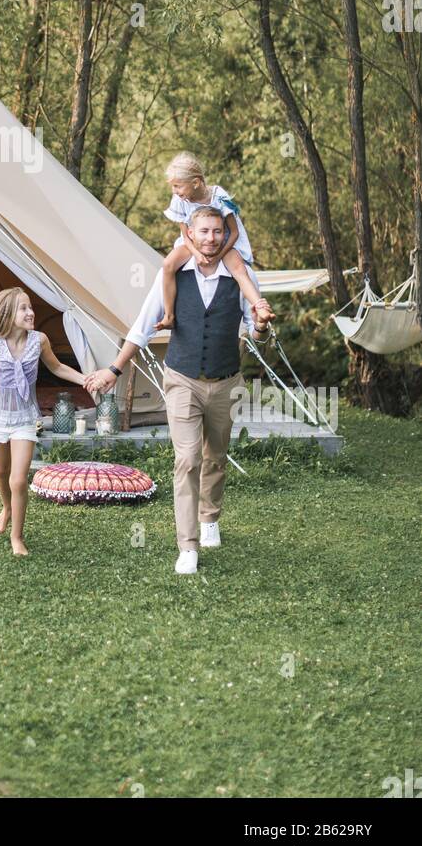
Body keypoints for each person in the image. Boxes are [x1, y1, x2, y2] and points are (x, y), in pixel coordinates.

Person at [85, 206, 272, 575]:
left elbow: (257, 332)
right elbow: (141, 328)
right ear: (189, 233)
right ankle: (187, 546)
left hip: (225, 382)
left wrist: (262, 326)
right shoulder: (172, 275)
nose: (210, 239)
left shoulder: (240, 274)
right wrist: (113, 369)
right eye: (203, 231)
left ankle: (210, 517)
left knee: (216, 455)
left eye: (217, 232)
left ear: (225, 234)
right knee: (187, 459)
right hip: (182, 380)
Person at [0, 287, 87, 556]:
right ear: (7, 314)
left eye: (30, 307)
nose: (30, 312)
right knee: (1, 471)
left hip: (24, 419)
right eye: (23, 308)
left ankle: (17, 537)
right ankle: (6, 508)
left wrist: (86, 379)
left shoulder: (39, 340)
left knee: (18, 479)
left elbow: (57, 367)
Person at [155, 151, 274, 331]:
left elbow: (233, 232)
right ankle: (169, 315)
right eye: (173, 187)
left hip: (223, 241)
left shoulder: (218, 196)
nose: (175, 191)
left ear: (195, 183)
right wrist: (195, 253)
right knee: (168, 264)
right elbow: (185, 235)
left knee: (239, 270)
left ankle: (259, 307)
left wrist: (219, 255)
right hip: (193, 242)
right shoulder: (179, 200)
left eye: (178, 186)